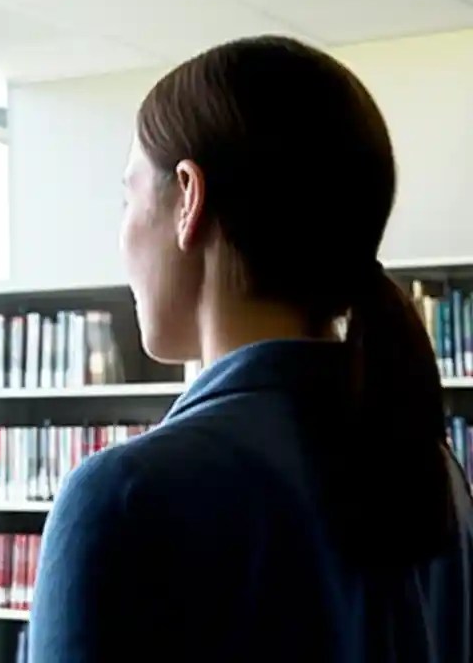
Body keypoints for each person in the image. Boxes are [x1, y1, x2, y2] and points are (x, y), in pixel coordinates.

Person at [28, 35, 473, 662]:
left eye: (127, 196)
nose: (122, 233)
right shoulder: (427, 471)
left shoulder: (124, 496)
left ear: (188, 198)